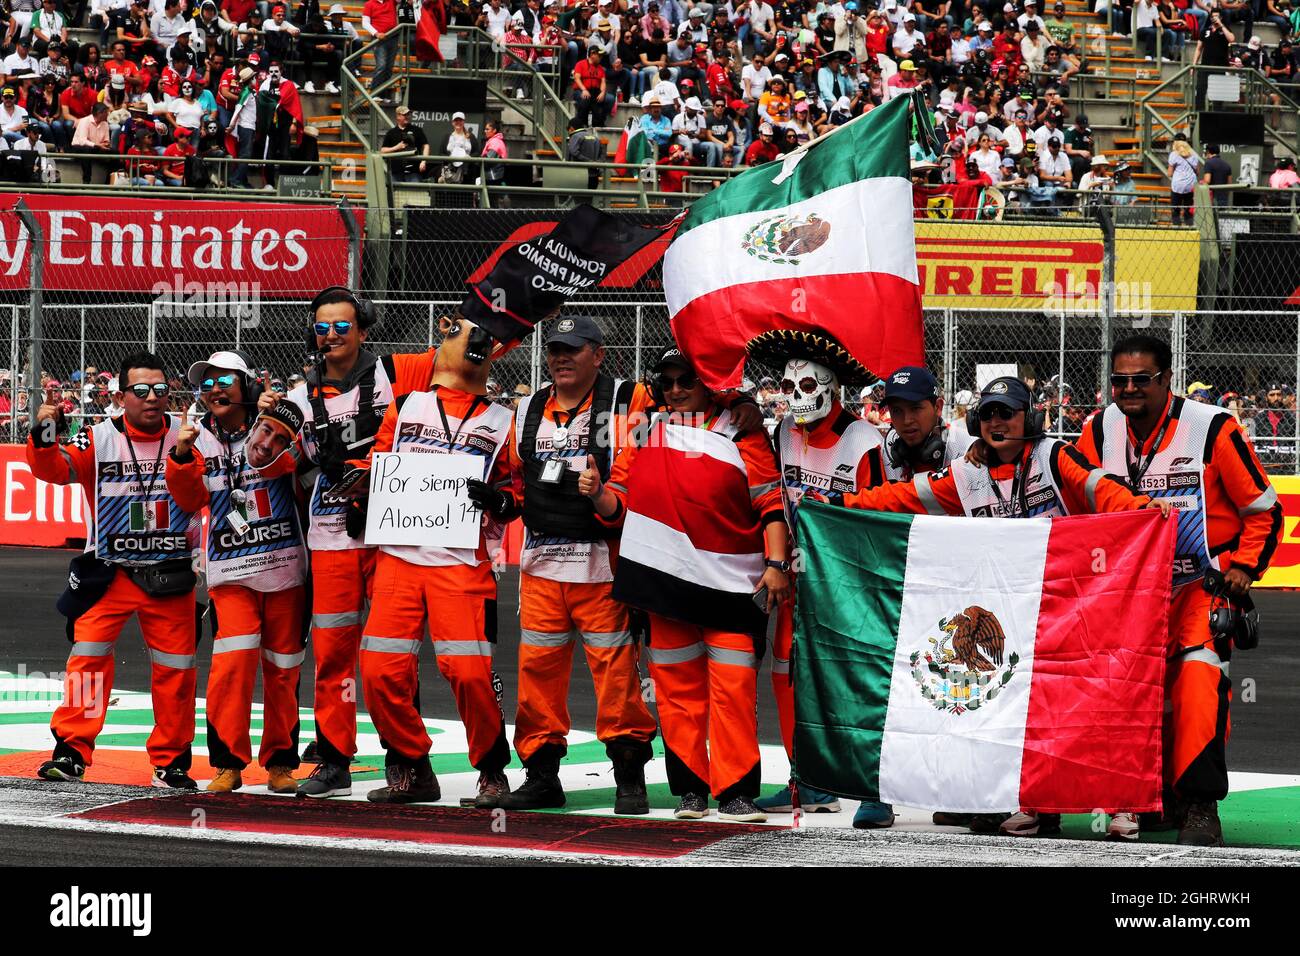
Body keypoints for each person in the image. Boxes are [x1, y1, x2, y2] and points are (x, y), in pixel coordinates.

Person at [1074, 335, 1281, 846]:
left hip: (1199, 587)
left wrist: (1243, 570)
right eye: (1119, 380)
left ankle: (1199, 804)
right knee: (1123, 687)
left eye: (1141, 379)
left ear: (1166, 378)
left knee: (1196, 678)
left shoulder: (1213, 428)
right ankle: (1145, 795)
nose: (1128, 389)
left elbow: (1265, 510)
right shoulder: (1096, 430)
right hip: (1126, 592)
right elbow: (1071, 499)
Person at [606, 346, 791, 823]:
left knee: (734, 691)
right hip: (663, 585)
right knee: (676, 694)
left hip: (733, 585)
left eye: (685, 380)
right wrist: (594, 494)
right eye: (666, 382)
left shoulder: (741, 428)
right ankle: (691, 791)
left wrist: (776, 563)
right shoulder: (643, 428)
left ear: (708, 383)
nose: (674, 390)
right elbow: (618, 499)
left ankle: (736, 793)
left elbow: (770, 501)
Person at [493, 316, 658, 814]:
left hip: (602, 562)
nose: (561, 358)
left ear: (599, 355)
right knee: (537, 672)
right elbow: (515, 482)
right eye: (554, 350)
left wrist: (606, 495)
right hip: (541, 565)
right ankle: (542, 775)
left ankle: (629, 776)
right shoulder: (527, 408)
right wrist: (502, 502)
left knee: (616, 673)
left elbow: (641, 473)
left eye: (573, 348)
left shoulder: (627, 400)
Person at [350, 315, 515, 804]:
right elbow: (376, 462)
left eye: (484, 337)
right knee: (379, 670)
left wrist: (500, 501)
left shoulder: (504, 420)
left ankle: (492, 770)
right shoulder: (406, 405)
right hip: (397, 557)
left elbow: (514, 492)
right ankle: (412, 764)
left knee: (469, 672)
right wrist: (358, 487)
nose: (476, 341)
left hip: (462, 561)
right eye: (467, 331)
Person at [287, 288, 438, 799]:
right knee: (332, 656)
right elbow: (275, 462)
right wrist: (267, 423)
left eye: (341, 326)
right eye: (322, 327)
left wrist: (509, 313)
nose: (330, 335)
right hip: (330, 540)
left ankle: (408, 762)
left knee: (394, 658)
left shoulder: (396, 372)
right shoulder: (297, 398)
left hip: (390, 537)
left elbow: (463, 355)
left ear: (363, 330)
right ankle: (333, 761)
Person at [29, 353, 202, 789]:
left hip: (170, 573)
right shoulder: (96, 437)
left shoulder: (189, 436)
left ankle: (172, 760)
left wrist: (184, 454)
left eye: (160, 389)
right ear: (121, 397)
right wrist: (45, 430)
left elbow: (199, 496)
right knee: (88, 661)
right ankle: (72, 750)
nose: (152, 398)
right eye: (141, 390)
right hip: (108, 573)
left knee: (177, 669)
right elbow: (53, 471)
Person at [744, 330, 888, 824]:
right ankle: (807, 779)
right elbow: (774, 500)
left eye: (807, 387)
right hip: (796, 577)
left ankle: (873, 787)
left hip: (850, 582)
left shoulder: (864, 440)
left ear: (831, 388)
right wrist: (778, 562)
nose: (795, 398)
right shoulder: (784, 432)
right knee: (786, 672)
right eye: (788, 388)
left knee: (857, 677)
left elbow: (880, 513)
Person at [165, 352, 307, 795]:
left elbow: (296, 467)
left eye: (224, 381)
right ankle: (228, 763)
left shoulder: (276, 422)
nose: (214, 390)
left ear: (247, 385)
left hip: (285, 567)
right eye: (206, 384)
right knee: (233, 666)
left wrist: (277, 421)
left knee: (283, 667)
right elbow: (189, 500)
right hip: (230, 571)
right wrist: (181, 455)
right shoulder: (196, 438)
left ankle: (280, 762)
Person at [381, 104, 430, 182]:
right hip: (396, 172)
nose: (407, 116)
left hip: (414, 171)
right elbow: (383, 150)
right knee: (394, 190)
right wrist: (396, 147)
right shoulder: (391, 132)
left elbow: (426, 146)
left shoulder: (417, 130)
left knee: (414, 189)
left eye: (408, 114)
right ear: (398, 116)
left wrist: (423, 161)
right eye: (404, 115)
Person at [1168, 134, 1200, 225]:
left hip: (1177, 186)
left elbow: (1169, 173)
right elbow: (1197, 172)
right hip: (1191, 186)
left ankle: (1177, 229)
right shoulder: (1194, 154)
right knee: (1188, 212)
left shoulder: (1174, 154)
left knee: (1175, 211)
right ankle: (1189, 228)